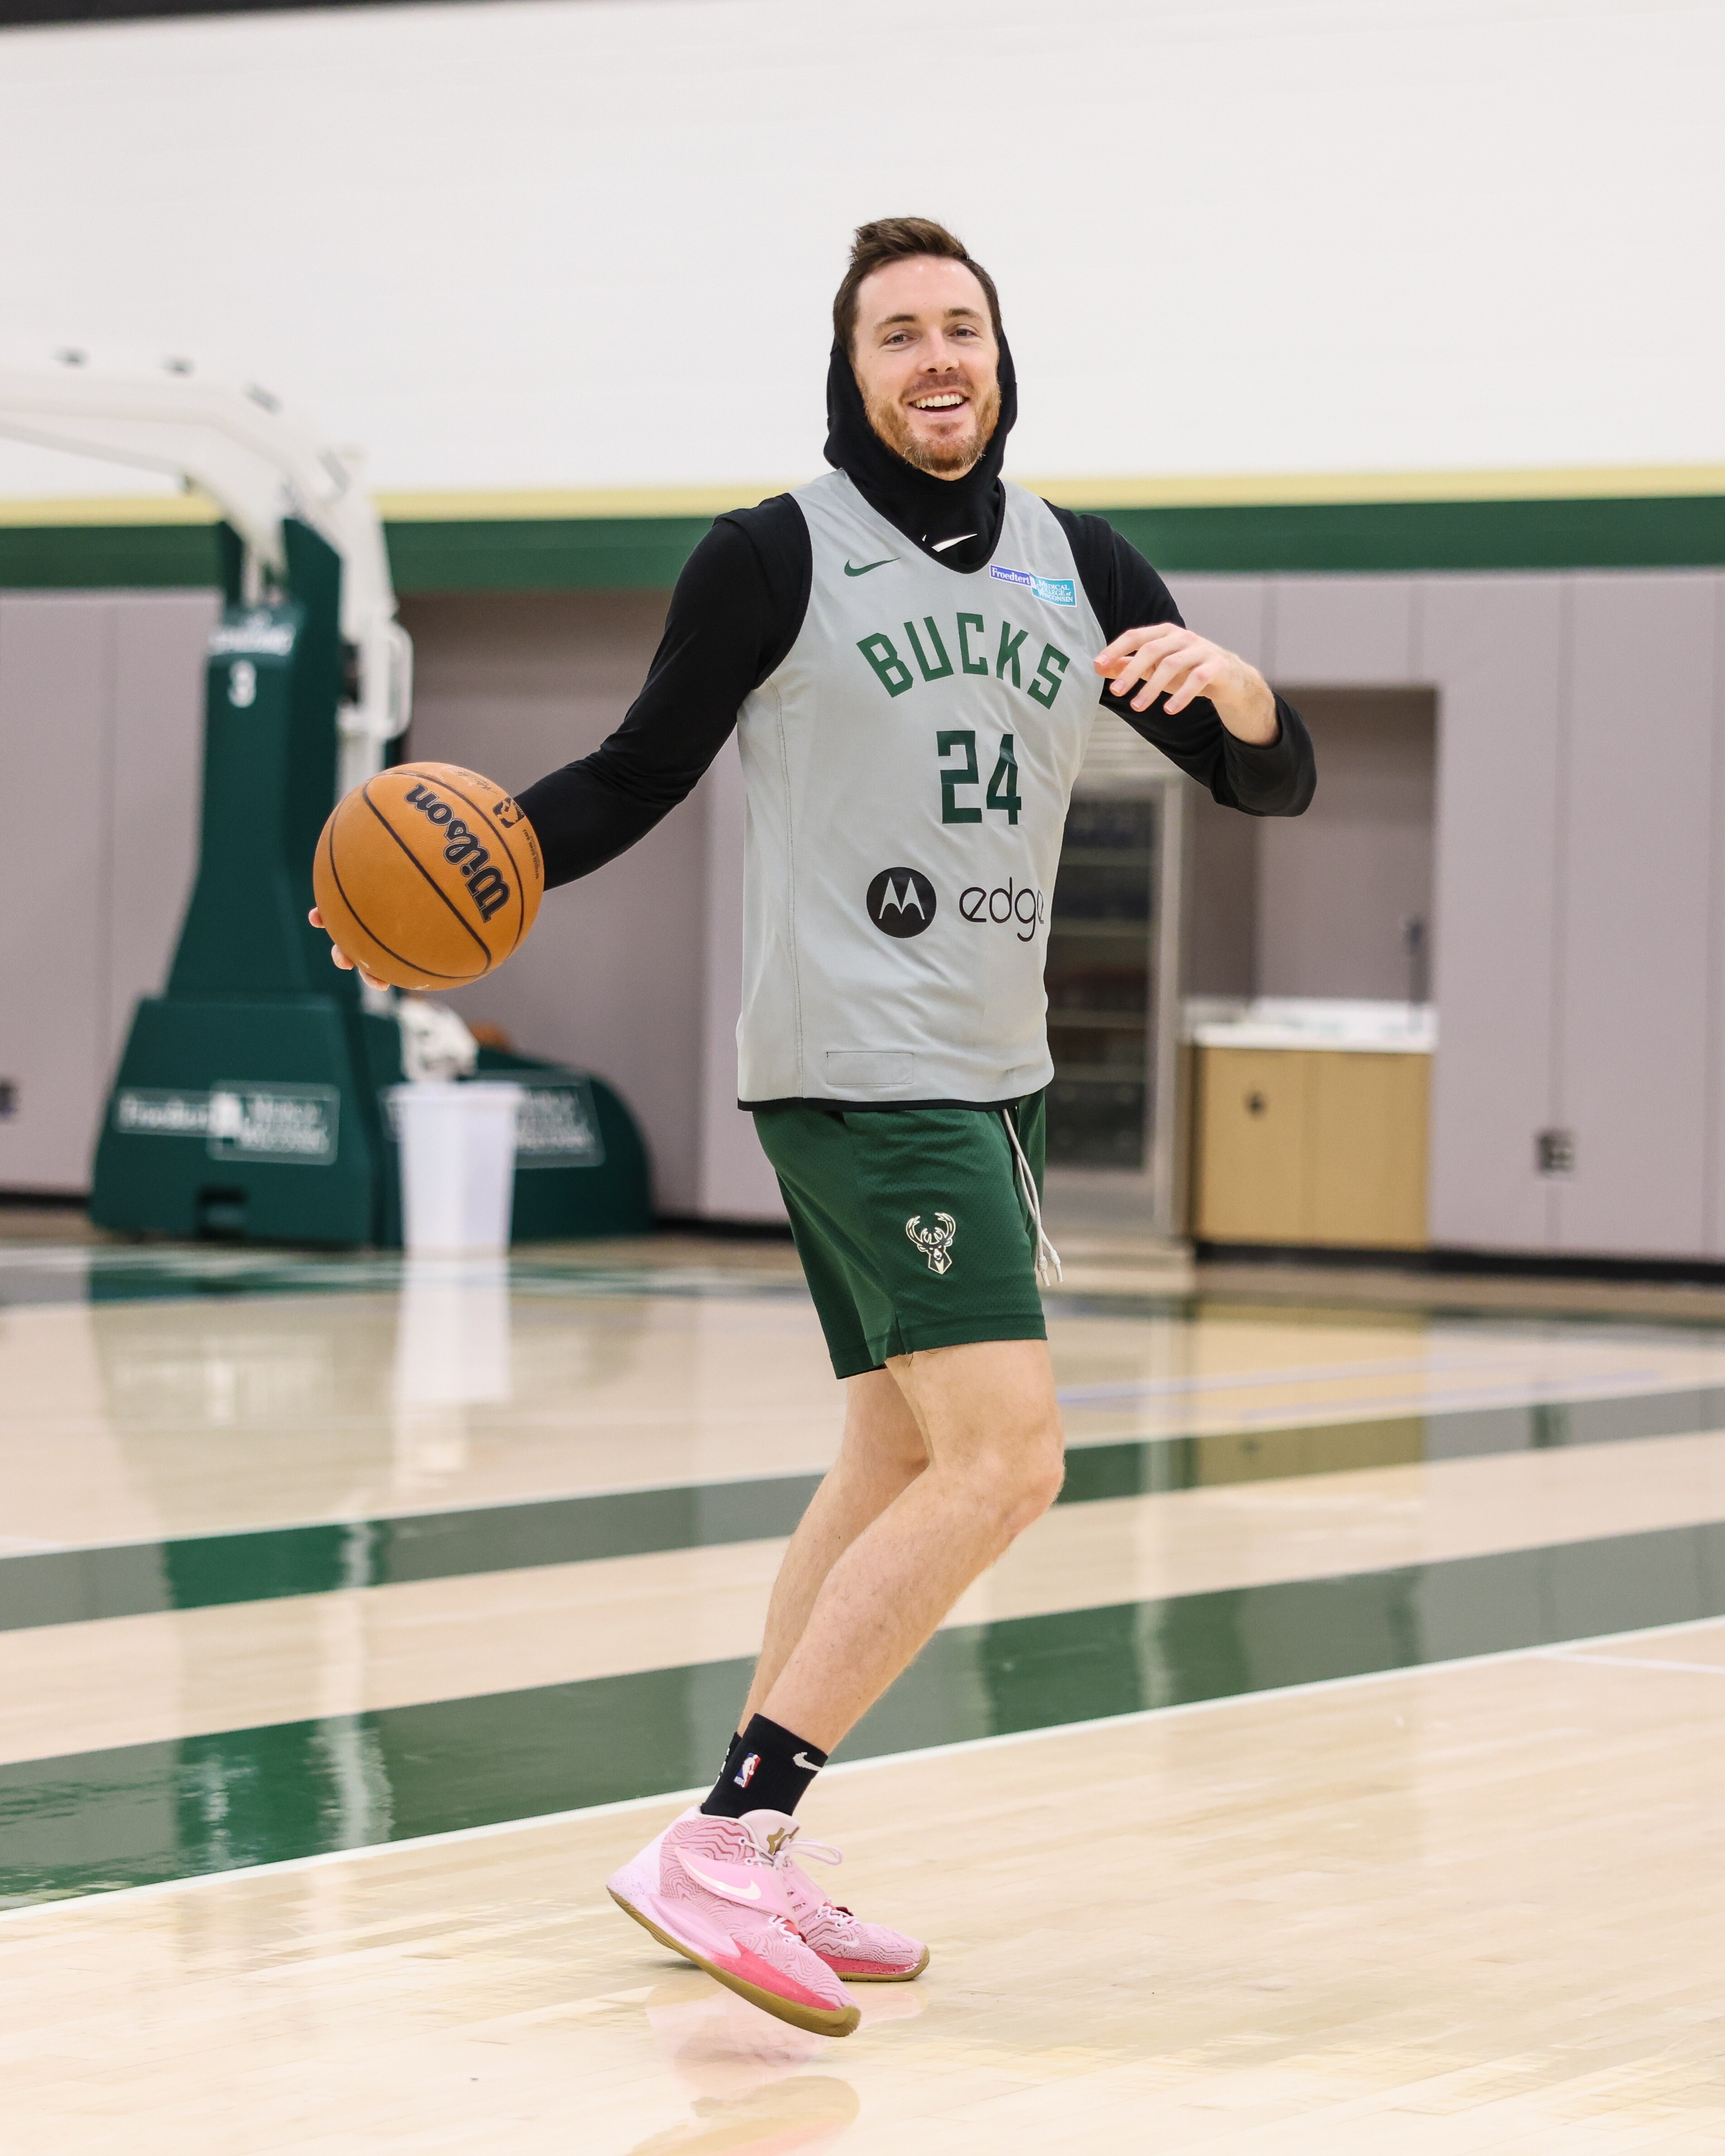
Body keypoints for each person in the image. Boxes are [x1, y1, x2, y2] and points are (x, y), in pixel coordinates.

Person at [315, 216, 1315, 2039]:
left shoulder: (1077, 563)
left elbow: (1259, 775)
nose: (938, 358)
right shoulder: (774, 552)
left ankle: (744, 1848)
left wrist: (1249, 697)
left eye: (963, 329)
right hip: (864, 1065)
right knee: (1008, 1460)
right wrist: (462, 873)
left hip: (990, 1067)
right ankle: (729, 1829)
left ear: (999, 360)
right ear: (849, 368)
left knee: (883, 1461)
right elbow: (637, 769)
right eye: (898, 334)